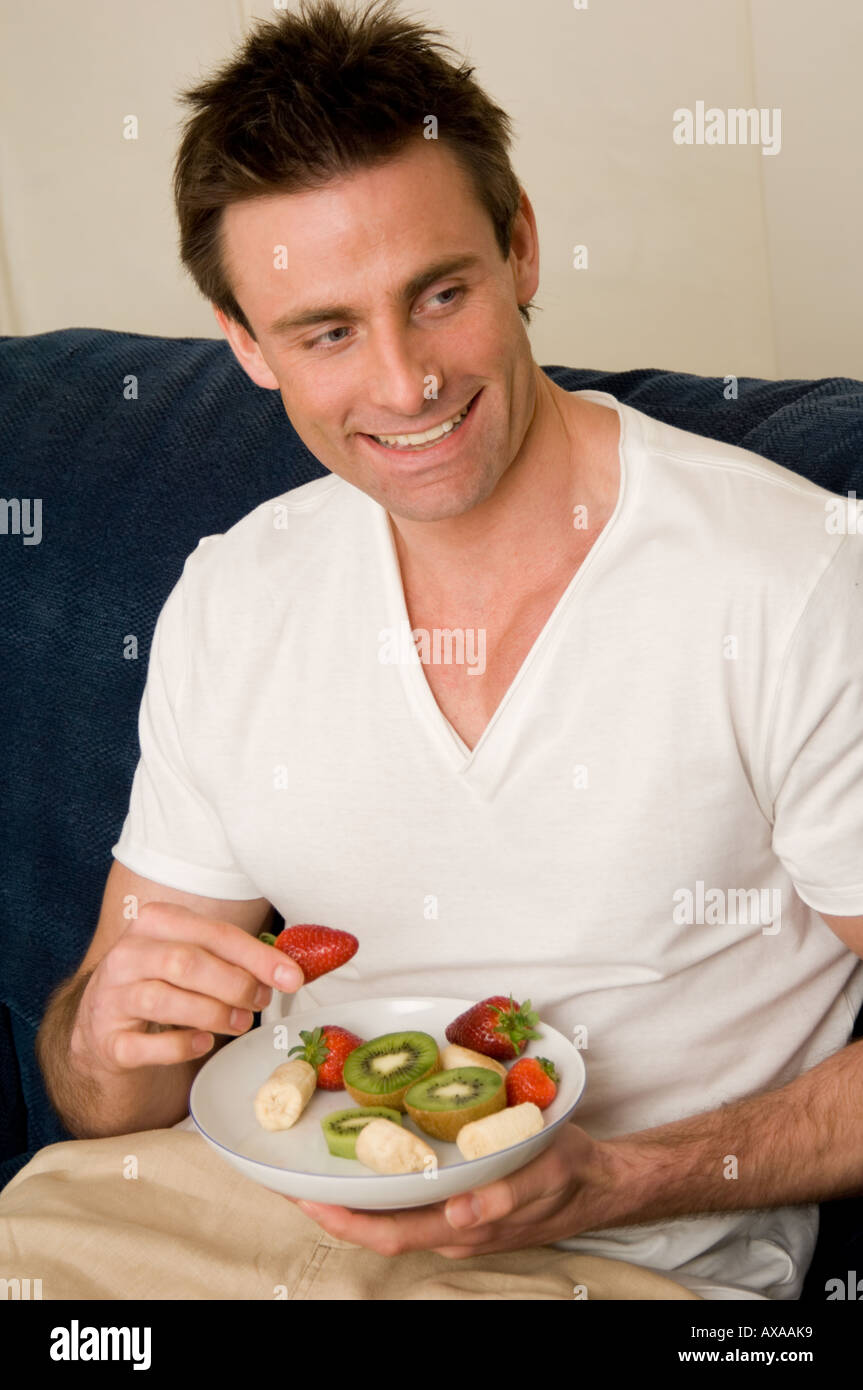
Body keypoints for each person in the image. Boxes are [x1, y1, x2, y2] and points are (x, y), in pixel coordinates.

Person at [29, 0, 863, 1301]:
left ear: (520, 244)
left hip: (602, 1255)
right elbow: (103, 1097)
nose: (407, 382)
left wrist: (625, 1177)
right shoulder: (234, 595)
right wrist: (107, 1026)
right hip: (210, 1217)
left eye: (439, 295)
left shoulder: (794, 580)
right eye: (326, 331)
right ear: (244, 343)